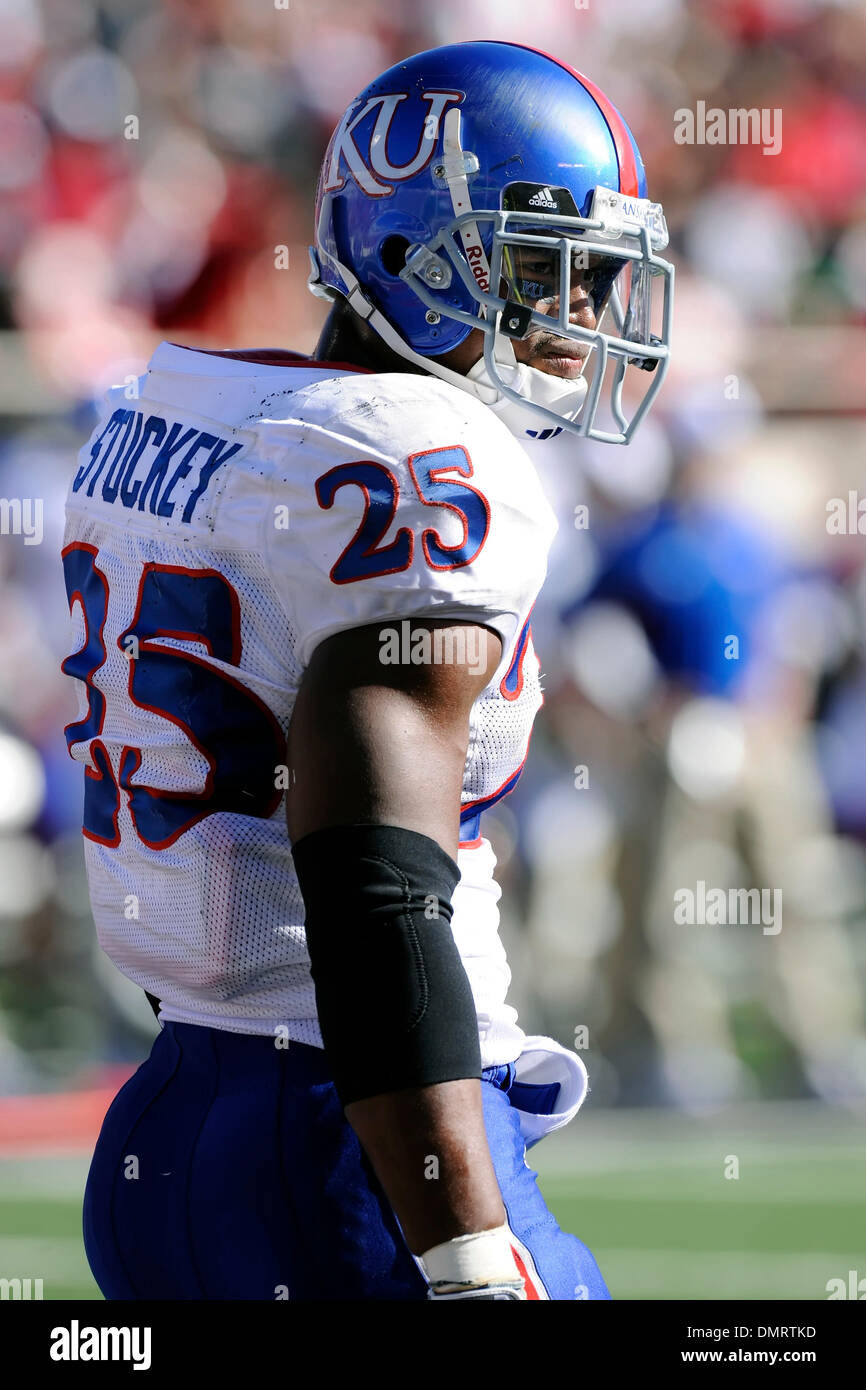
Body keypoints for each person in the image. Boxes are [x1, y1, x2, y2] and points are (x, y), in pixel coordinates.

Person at [61, 39, 673, 1300]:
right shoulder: (417, 457)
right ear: (419, 250)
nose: (588, 312)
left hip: (169, 1125)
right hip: (354, 1142)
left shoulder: (171, 411)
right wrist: (465, 1252)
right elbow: (373, 891)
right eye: (546, 266)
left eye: (603, 273)